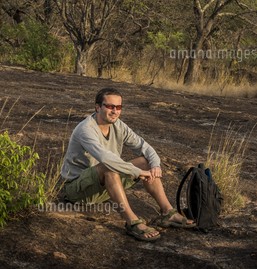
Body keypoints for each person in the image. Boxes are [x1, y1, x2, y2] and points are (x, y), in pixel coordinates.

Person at [60, 87, 194, 241]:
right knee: (109, 167)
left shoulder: (119, 126)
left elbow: (144, 147)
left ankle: (168, 213)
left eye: (118, 107)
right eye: (110, 106)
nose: (114, 111)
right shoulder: (86, 129)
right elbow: (106, 159)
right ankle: (132, 223)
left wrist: (155, 165)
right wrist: (137, 172)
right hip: (78, 191)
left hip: (103, 186)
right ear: (97, 107)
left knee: (145, 162)